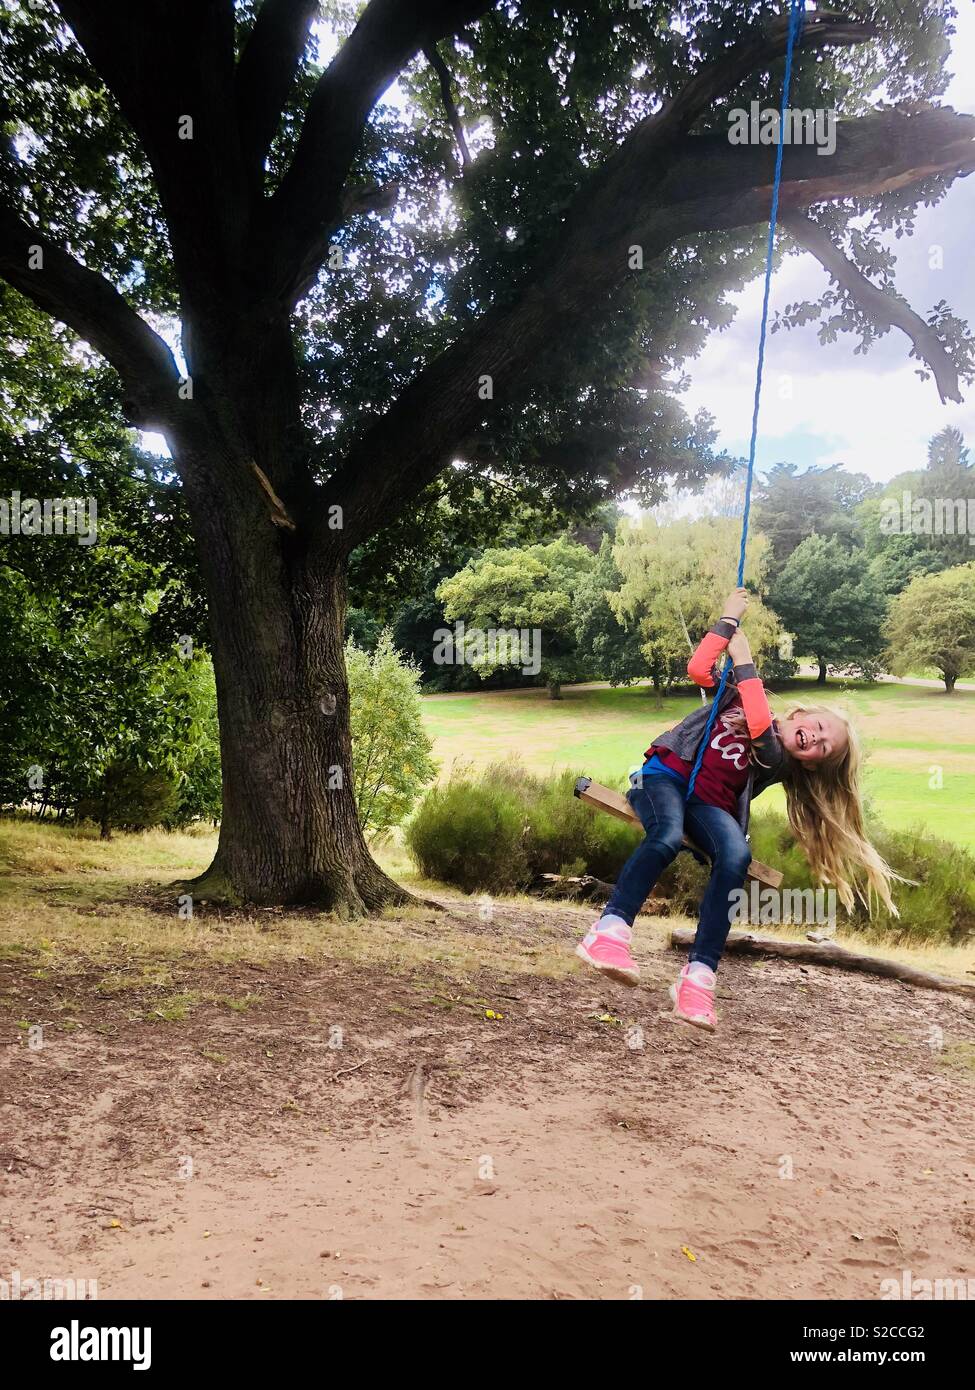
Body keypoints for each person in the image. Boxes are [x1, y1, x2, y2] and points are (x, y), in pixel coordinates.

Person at [576, 588, 899, 1030]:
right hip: (665, 779)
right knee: (667, 835)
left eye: (824, 748)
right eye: (818, 728)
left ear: (813, 762)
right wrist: (728, 622)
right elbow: (698, 668)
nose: (815, 740)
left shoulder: (780, 758)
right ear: (803, 712)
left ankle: (699, 976)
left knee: (736, 855)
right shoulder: (734, 692)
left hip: (711, 807)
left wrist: (746, 662)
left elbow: (763, 733)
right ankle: (609, 932)